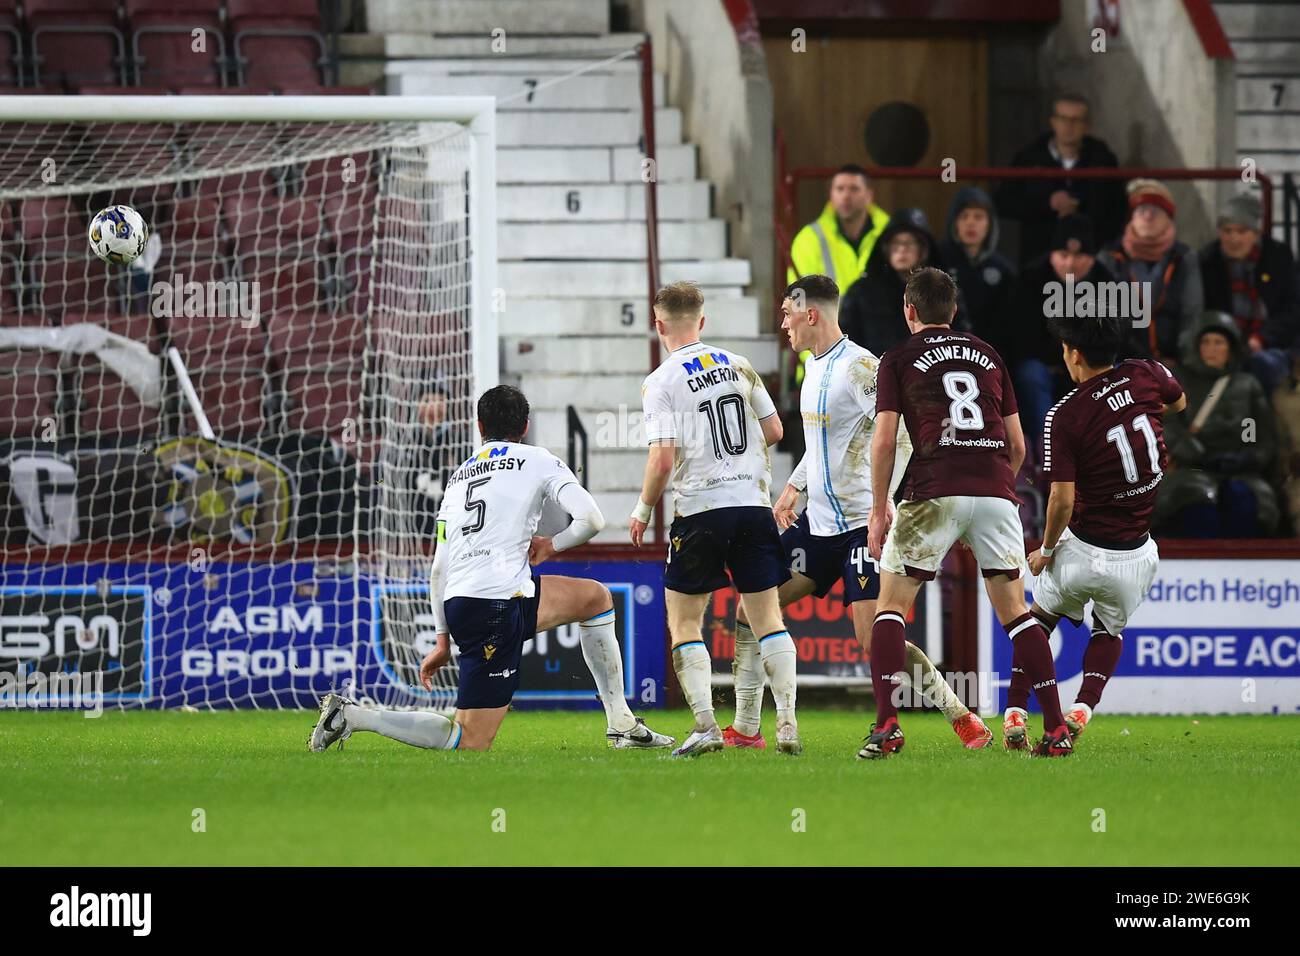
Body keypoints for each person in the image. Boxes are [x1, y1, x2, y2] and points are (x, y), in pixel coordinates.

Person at [310, 385, 674, 753]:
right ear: (526, 426)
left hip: (476, 597)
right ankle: (354, 717)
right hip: (495, 606)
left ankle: (622, 724)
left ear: (479, 425)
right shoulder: (539, 460)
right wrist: (552, 544)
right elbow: (591, 519)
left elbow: (439, 567)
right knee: (470, 740)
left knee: (595, 598)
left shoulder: (460, 476)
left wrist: (441, 638)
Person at [738, 274, 993, 751]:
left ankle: (961, 715)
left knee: (876, 640)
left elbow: (898, 435)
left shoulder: (861, 368)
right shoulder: (812, 368)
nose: (783, 324)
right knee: (750, 608)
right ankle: (752, 729)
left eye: (787, 314)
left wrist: (884, 504)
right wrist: (794, 489)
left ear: (810, 314)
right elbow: (823, 444)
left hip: (860, 528)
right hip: (818, 527)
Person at [864, 267, 1073, 758]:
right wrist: (993, 490)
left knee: (890, 609)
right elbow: (1019, 444)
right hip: (997, 487)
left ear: (909, 310)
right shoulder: (990, 355)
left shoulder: (897, 358)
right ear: (953, 312)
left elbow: (883, 441)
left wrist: (879, 509)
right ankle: (1057, 730)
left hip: (934, 486)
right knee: (1018, 615)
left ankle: (887, 726)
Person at [1008, 312, 1187, 749]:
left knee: (1038, 621)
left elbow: (1062, 499)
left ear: (1073, 355)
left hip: (1082, 551)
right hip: (1137, 555)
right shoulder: (1146, 373)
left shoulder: (1064, 415)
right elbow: (1179, 404)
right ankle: (1083, 707)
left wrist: (1046, 549)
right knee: (1109, 631)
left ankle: (1015, 711)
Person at [629, 281, 792, 756]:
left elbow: (662, 459)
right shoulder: (739, 365)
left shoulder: (660, 381)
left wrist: (642, 509)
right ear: (702, 321)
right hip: (753, 505)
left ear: (658, 324)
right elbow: (775, 430)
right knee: (768, 619)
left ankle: (706, 725)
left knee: (684, 620)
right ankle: (787, 724)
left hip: (700, 509)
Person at [1155, 314, 1281, 537]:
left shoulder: (1247, 386)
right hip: (1190, 468)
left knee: (1243, 498)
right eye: (1206, 342)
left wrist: (1247, 458)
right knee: (1195, 499)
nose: (1211, 349)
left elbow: (1259, 436)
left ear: (1230, 348)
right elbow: (1166, 425)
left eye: (1218, 342)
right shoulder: (1178, 382)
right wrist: (1189, 450)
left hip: (1239, 471)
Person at [1006, 214, 1112, 445]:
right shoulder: (1030, 279)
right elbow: (1020, 335)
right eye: (1063, 255)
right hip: (1044, 364)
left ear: (1092, 259)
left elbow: (1113, 337)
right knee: (1030, 375)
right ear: (1052, 255)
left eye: (1080, 256)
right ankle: (1048, 449)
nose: (1070, 264)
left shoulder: (1107, 282)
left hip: (1088, 364)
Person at [787, 165, 891, 382]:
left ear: (869, 195)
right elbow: (798, 303)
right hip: (828, 351)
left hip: (881, 344)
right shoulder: (810, 239)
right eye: (840, 189)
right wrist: (816, 360)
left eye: (854, 189)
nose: (846, 195)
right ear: (831, 195)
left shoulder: (890, 234)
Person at [996, 92, 1128, 263]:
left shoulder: (1102, 158)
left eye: (1076, 120)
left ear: (1087, 126)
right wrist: (1047, 202)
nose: (1069, 125)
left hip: (1088, 259)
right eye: (1063, 118)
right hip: (1040, 257)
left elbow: (1118, 208)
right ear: (1053, 122)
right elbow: (1003, 202)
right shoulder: (1030, 156)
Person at [1199, 192, 1300, 391]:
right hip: (1223, 345)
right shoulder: (1208, 261)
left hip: (1273, 343)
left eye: (1242, 231)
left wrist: (1262, 338)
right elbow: (1203, 312)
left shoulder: (1278, 257)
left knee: (1263, 367)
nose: (1234, 239)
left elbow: (1292, 308)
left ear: (1256, 233)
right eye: (1227, 231)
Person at [1097, 178, 1203, 363]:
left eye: (1155, 211)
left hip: (1172, 361)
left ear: (1168, 218)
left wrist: (1182, 359)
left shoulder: (1184, 258)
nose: (1147, 216)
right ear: (1132, 217)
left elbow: (1191, 315)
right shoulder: (1110, 257)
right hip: (1121, 361)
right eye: (1141, 210)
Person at [839, 207, 934, 358]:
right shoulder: (861, 292)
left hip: (927, 374)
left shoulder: (940, 290)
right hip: (873, 374)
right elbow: (846, 343)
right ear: (885, 249)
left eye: (909, 243)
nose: (902, 250)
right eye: (895, 243)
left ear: (923, 250)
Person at [935, 186, 1017, 356]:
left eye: (978, 217)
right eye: (964, 216)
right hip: (943, 350)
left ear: (990, 223)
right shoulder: (936, 261)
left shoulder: (1004, 270)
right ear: (954, 222)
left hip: (990, 354)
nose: (971, 223)